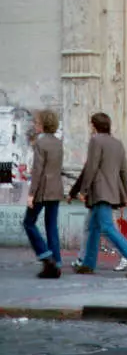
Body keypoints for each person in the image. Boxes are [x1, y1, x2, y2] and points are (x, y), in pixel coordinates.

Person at [73, 112, 127, 278]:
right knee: (93, 227)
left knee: (106, 226)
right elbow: (124, 170)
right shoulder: (117, 143)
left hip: (99, 191)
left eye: (91, 125)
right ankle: (88, 264)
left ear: (94, 125)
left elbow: (91, 167)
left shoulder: (95, 141)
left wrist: (83, 190)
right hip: (112, 191)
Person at [22, 109, 64, 279]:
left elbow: (38, 171)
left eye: (37, 122)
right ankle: (57, 264)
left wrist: (31, 194)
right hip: (56, 188)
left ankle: (46, 256)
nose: (35, 124)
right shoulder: (58, 142)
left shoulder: (40, 143)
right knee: (51, 226)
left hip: (42, 190)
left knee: (28, 223)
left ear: (43, 124)